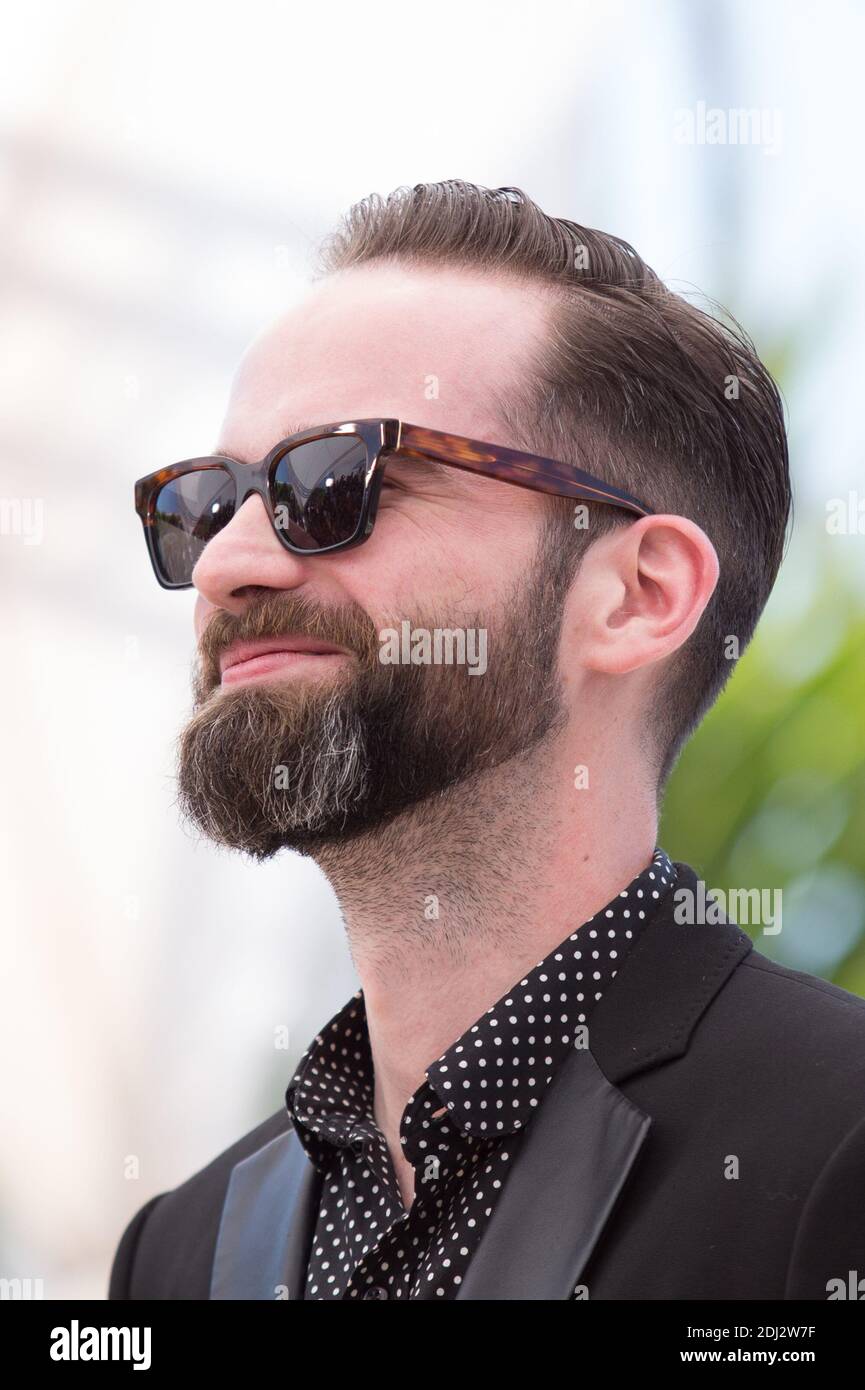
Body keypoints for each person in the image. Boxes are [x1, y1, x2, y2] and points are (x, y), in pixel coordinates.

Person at [110, 180, 865, 1300]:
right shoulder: (176, 1251)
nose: (227, 563)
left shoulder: (834, 1149)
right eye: (206, 503)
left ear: (637, 595)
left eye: (335, 483)